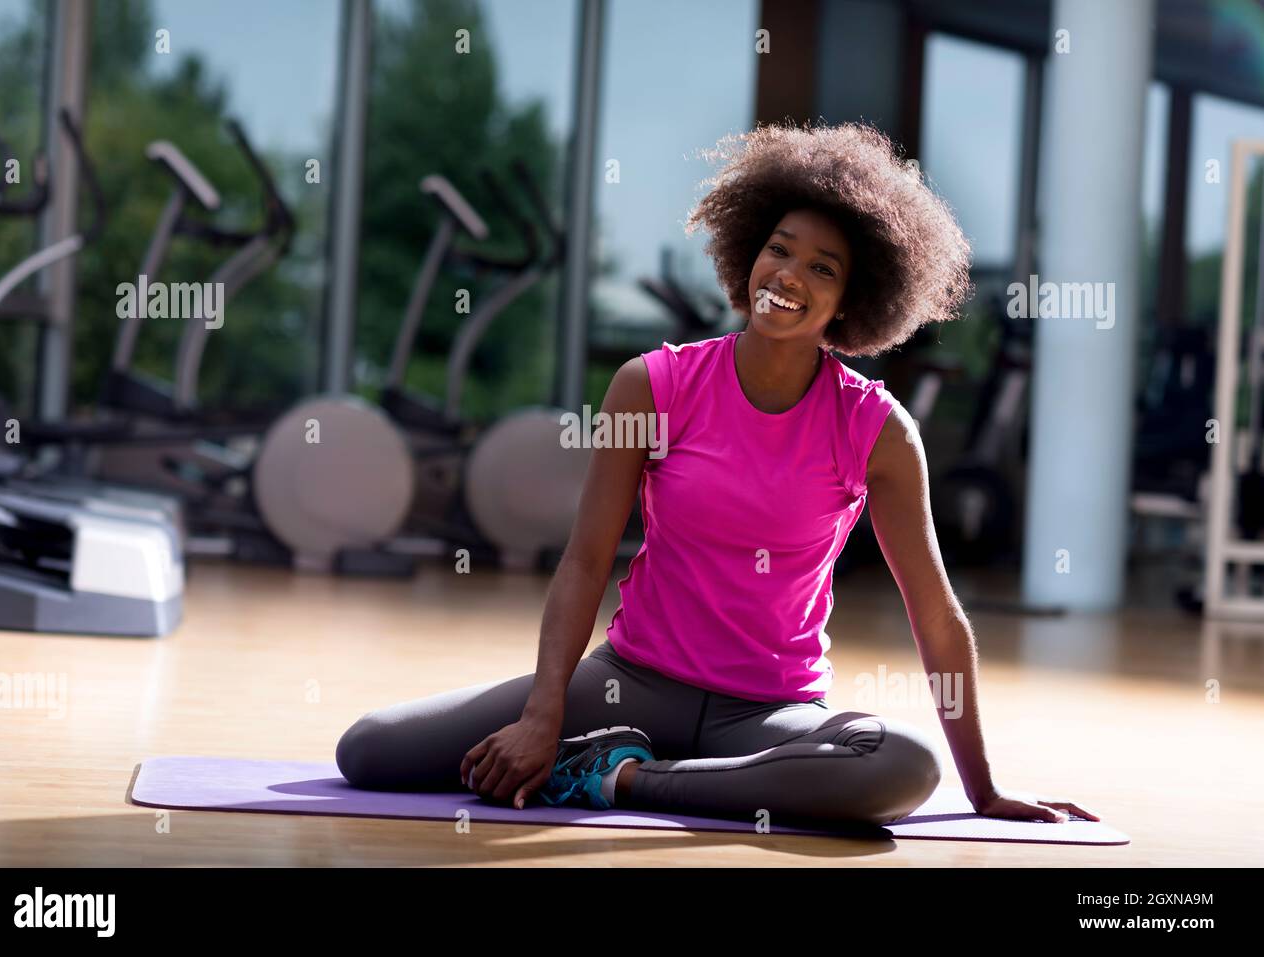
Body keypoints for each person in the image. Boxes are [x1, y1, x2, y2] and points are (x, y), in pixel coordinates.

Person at [335, 121, 1101, 829]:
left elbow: (936, 616)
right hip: (629, 682)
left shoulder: (878, 430)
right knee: (370, 751)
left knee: (904, 766)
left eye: (821, 267)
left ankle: (620, 778)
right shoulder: (652, 386)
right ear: (748, 252)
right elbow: (585, 559)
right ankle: (633, 755)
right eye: (780, 247)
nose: (789, 274)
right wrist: (542, 714)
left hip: (769, 711)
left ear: (851, 303)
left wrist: (984, 788)